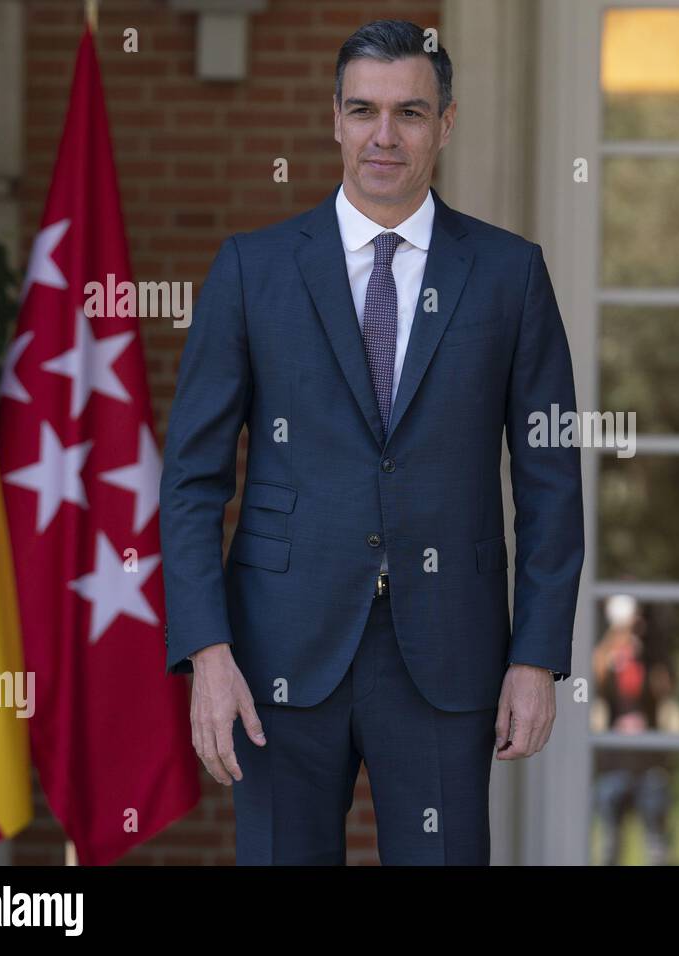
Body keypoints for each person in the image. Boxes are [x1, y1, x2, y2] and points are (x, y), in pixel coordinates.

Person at [159, 19, 583, 865]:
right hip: (277, 653)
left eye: (410, 113)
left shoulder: (510, 274)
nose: (384, 136)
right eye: (363, 111)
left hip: (448, 655)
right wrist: (207, 653)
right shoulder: (254, 269)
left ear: (447, 123)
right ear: (335, 119)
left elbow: (550, 485)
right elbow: (193, 482)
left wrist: (537, 658)